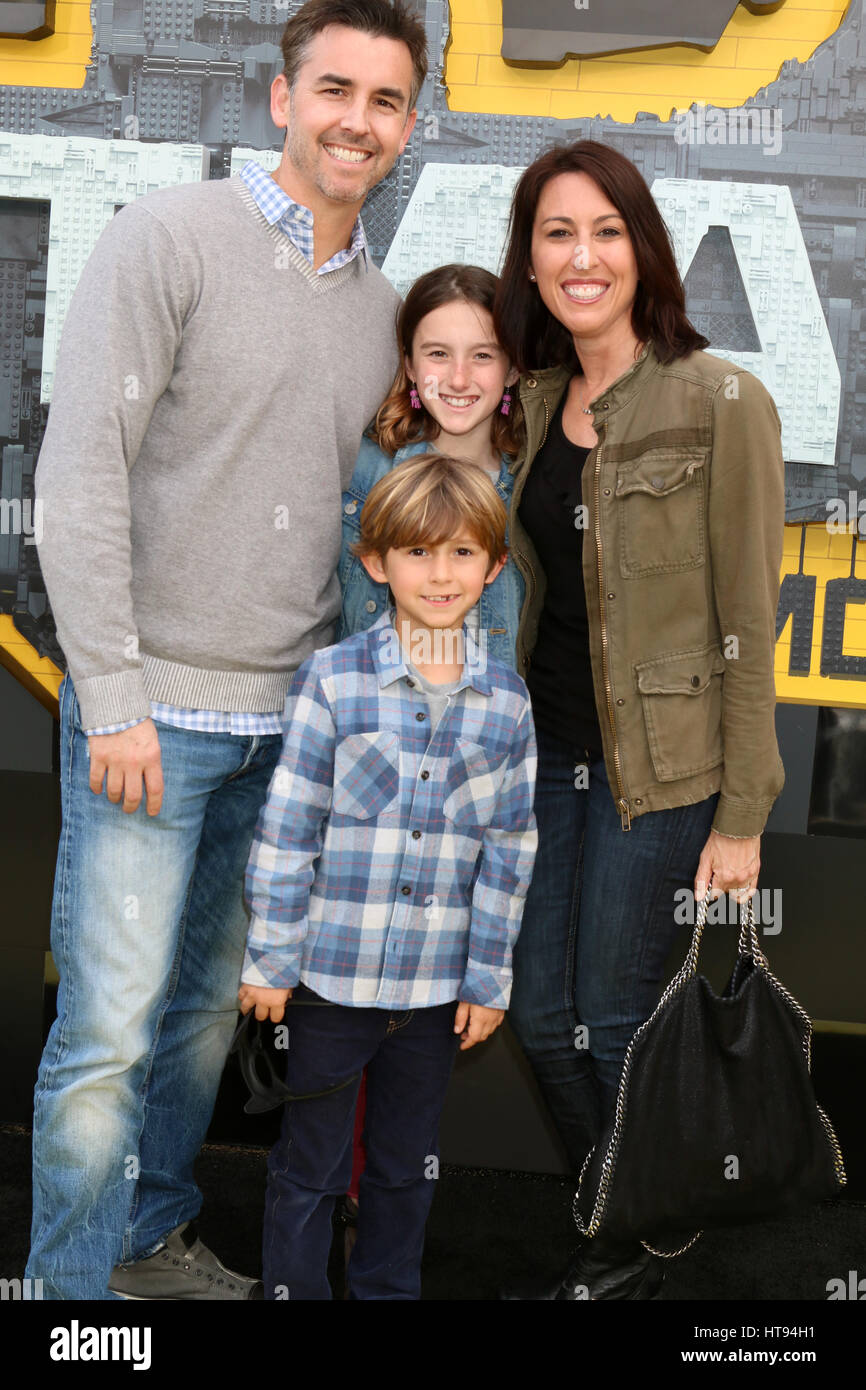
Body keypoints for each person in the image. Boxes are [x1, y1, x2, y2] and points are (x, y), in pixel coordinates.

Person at [28, 0, 428, 1301]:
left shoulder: (383, 312)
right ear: (280, 96)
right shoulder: (168, 237)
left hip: (285, 735)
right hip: (153, 725)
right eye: (334, 89)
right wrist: (112, 700)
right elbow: (77, 472)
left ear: (409, 123)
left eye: (383, 100)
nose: (355, 120)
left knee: (200, 1025)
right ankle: (70, 1295)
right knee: (102, 1035)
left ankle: (145, 1241)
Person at [491, 140, 786, 1300]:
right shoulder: (533, 400)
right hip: (543, 756)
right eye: (556, 232)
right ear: (530, 254)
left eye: (604, 230)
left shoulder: (719, 399)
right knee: (536, 1011)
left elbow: (747, 620)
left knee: (610, 1018)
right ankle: (631, 1228)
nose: (580, 255)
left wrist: (744, 812)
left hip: (663, 772)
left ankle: (631, 1253)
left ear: (641, 249)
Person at [238, 454, 538, 1300]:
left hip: (438, 994)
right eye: (417, 553)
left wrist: (489, 978)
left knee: (406, 1170)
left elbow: (510, 852)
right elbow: (287, 830)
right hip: (330, 986)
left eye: (463, 553)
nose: (440, 574)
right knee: (311, 1167)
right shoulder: (330, 684)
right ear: (375, 562)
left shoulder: (508, 705)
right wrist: (269, 960)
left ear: (495, 565)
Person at [338, 263, 525, 667]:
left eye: (482, 355)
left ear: (511, 368)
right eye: (438, 354)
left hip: (488, 724)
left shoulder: (532, 487)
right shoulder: (364, 472)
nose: (458, 379)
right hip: (371, 723)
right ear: (409, 366)